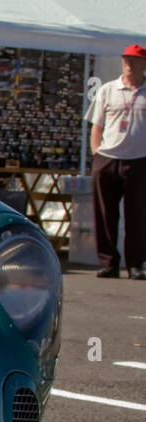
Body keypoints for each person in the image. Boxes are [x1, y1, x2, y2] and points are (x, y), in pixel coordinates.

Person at [84, 43, 146, 279]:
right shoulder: (108, 90)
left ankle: (136, 264)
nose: (129, 65)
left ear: (144, 64)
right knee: (104, 214)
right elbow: (96, 126)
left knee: (137, 215)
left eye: (135, 61)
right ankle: (108, 263)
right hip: (108, 159)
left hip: (139, 160)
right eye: (126, 60)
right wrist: (97, 153)